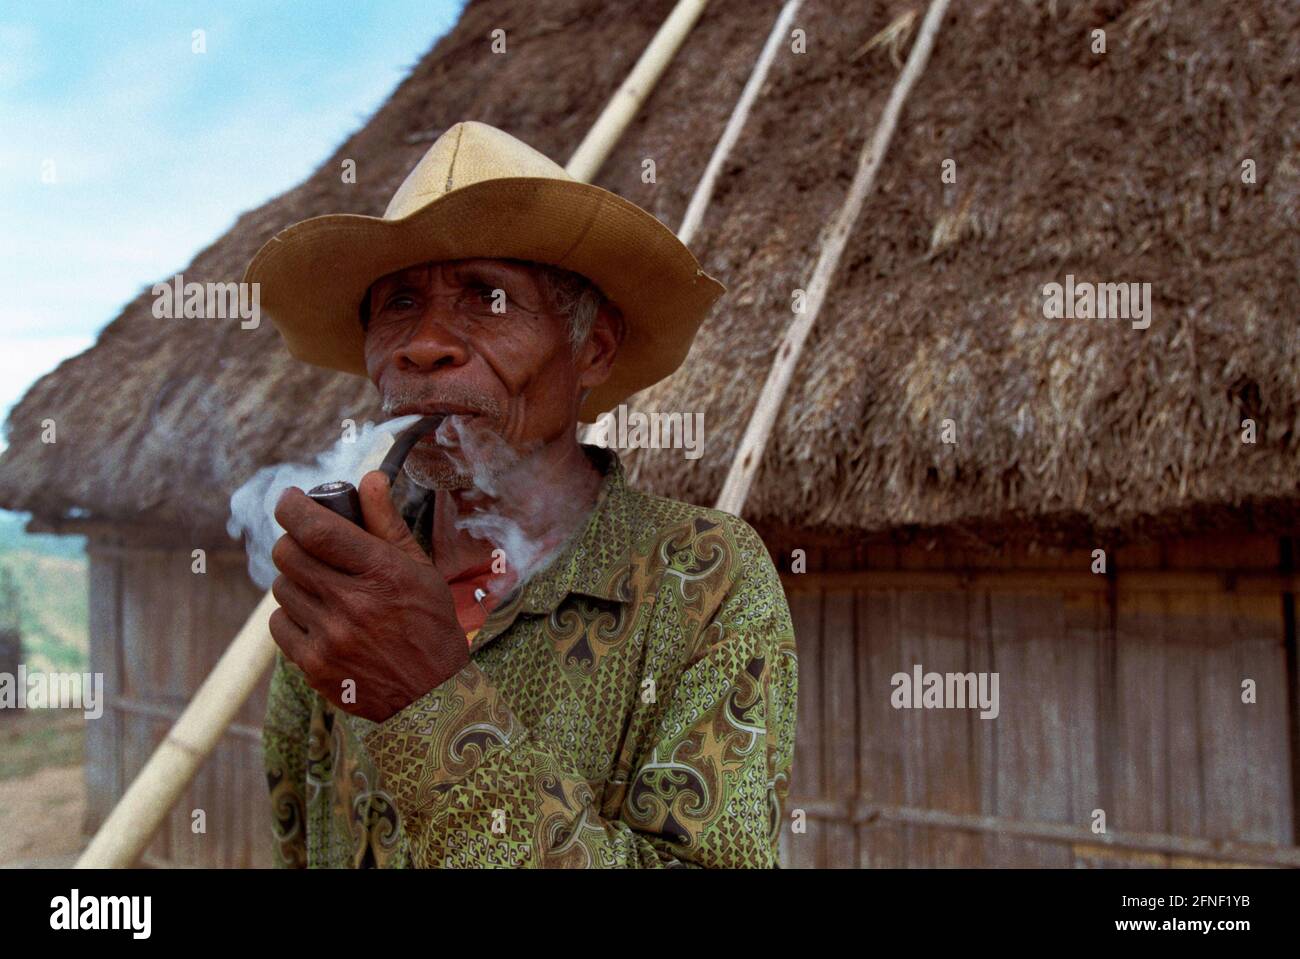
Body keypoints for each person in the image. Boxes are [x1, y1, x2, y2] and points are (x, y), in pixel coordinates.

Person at [245, 121, 798, 868]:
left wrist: (428, 701)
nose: (423, 343)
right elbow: (299, 845)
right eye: (399, 303)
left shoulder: (703, 578)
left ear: (592, 347)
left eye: (487, 298)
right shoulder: (342, 588)